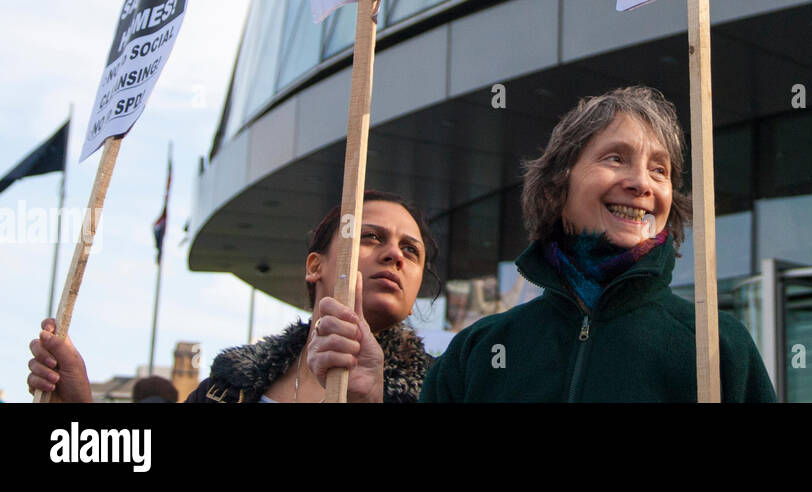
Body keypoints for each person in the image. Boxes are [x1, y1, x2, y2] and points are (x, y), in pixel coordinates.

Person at [412, 85, 774, 401]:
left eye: (659, 170)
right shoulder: (476, 351)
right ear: (558, 184)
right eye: (616, 158)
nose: (642, 184)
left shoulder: (718, 347)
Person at [28, 190, 437, 403]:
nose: (393, 255)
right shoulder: (227, 387)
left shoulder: (449, 387)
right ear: (315, 265)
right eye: (370, 237)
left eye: (411, 250)